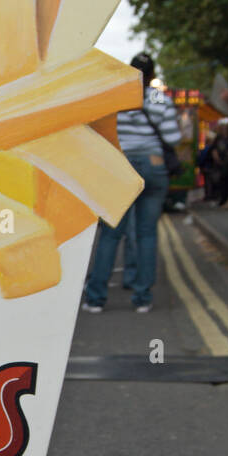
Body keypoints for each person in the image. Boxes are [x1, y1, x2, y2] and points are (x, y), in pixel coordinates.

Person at [83, 52, 181, 314]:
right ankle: (142, 298)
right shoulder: (159, 99)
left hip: (122, 167)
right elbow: (172, 138)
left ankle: (95, 298)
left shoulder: (116, 97)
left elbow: (97, 132)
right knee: (147, 233)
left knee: (111, 234)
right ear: (151, 75)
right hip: (154, 166)